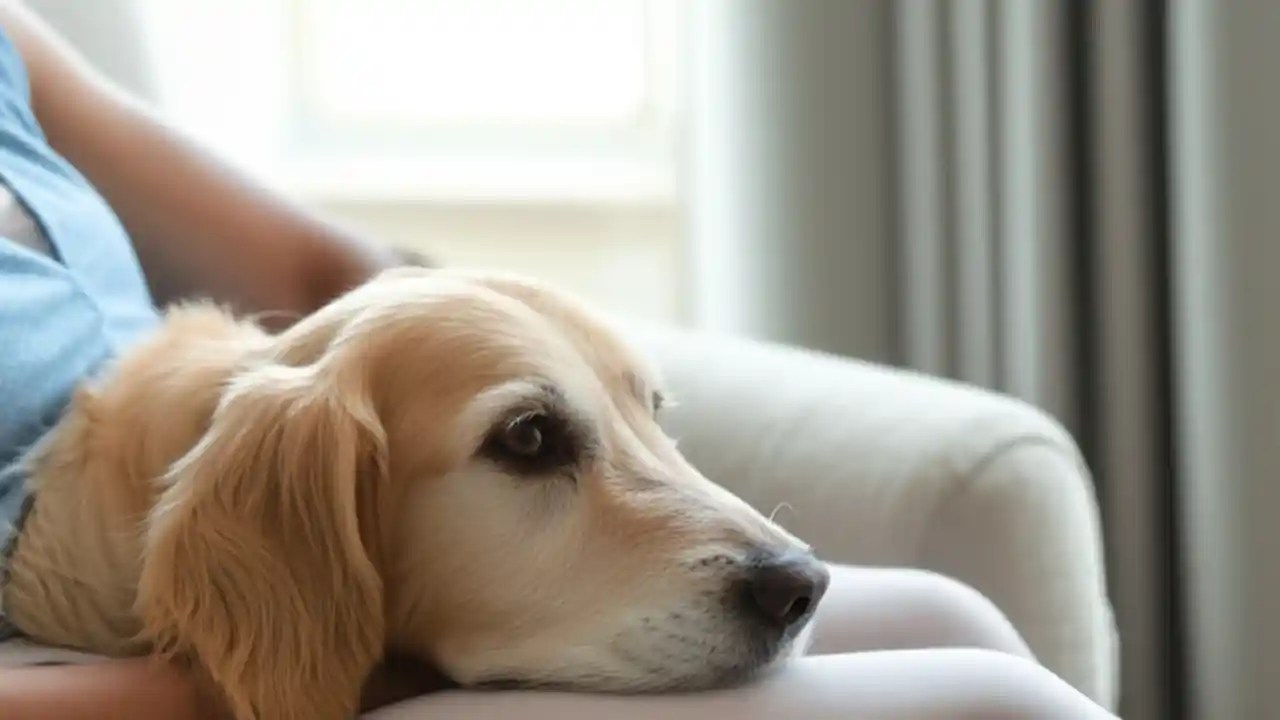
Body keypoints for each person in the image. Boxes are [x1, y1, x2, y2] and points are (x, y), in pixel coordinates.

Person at [0, 2, 1117, 719]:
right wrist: (298, 638)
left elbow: (323, 264)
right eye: (531, 443)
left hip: (269, 568)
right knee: (988, 703)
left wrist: (509, 353)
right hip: (169, 660)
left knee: (946, 618)